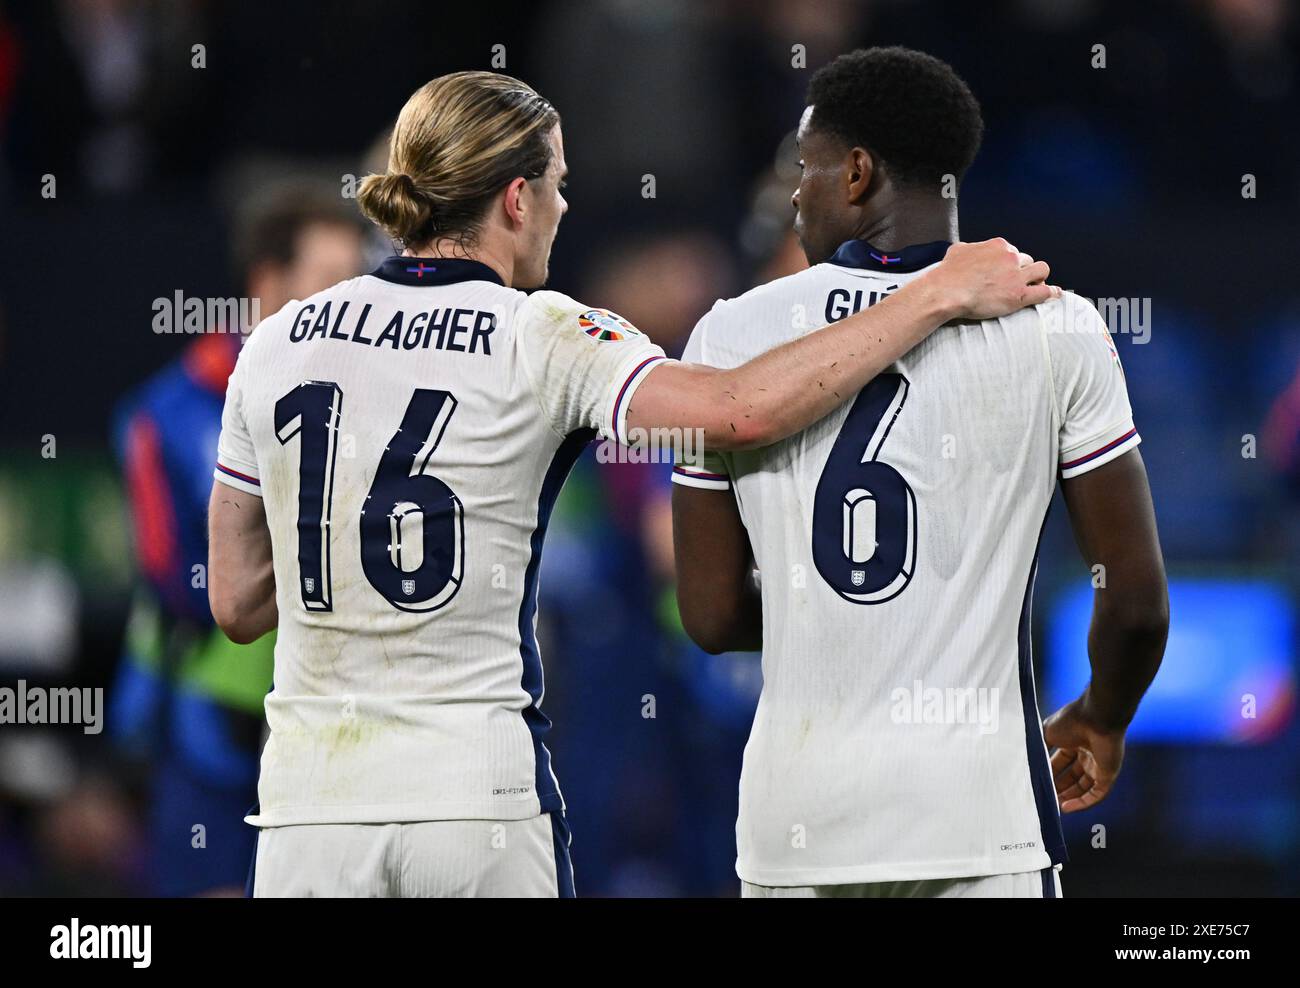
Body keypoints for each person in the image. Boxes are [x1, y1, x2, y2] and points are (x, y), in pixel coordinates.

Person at [205, 70, 1056, 898]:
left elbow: (239, 604)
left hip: (306, 814)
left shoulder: (276, 343)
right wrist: (934, 295)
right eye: (558, 185)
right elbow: (737, 411)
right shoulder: (545, 333)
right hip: (472, 808)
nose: (565, 208)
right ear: (514, 199)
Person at [672, 47, 1169, 899]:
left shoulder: (728, 338)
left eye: (806, 166)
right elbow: (1134, 602)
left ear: (858, 173)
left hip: (799, 832)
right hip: (980, 826)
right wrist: (1102, 716)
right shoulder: (1059, 327)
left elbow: (712, 615)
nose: (795, 192)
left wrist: (831, 623)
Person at [111, 189, 364, 895]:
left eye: (359, 283)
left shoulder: (377, 407)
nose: (351, 308)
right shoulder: (166, 412)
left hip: (338, 728)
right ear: (266, 285)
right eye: (329, 284)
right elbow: (179, 581)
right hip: (211, 723)